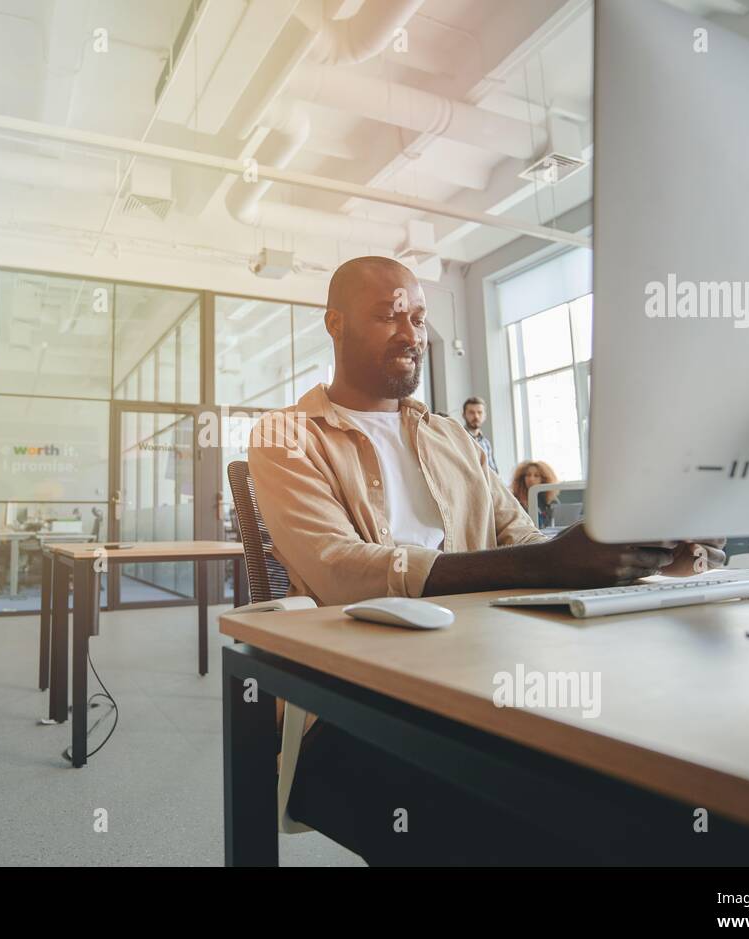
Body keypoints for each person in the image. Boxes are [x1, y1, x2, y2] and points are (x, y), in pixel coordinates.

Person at [247, 255, 723, 865]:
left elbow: (525, 544)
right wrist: (548, 565)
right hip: (357, 705)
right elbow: (340, 569)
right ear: (335, 325)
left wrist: (638, 551)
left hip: (488, 677)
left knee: (653, 781)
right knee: (526, 824)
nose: (411, 333)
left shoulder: (454, 438)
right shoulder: (285, 435)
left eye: (419, 318)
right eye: (388, 316)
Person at [511, 460, 559, 527]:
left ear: (543, 479)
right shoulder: (514, 500)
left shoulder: (550, 500)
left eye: (536, 476)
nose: (531, 479)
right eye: (528, 475)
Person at [461, 396, 497, 473]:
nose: (476, 416)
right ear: (464, 415)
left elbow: (493, 471)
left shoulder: (486, 443)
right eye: (471, 412)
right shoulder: (459, 439)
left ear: (485, 416)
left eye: (479, 412)